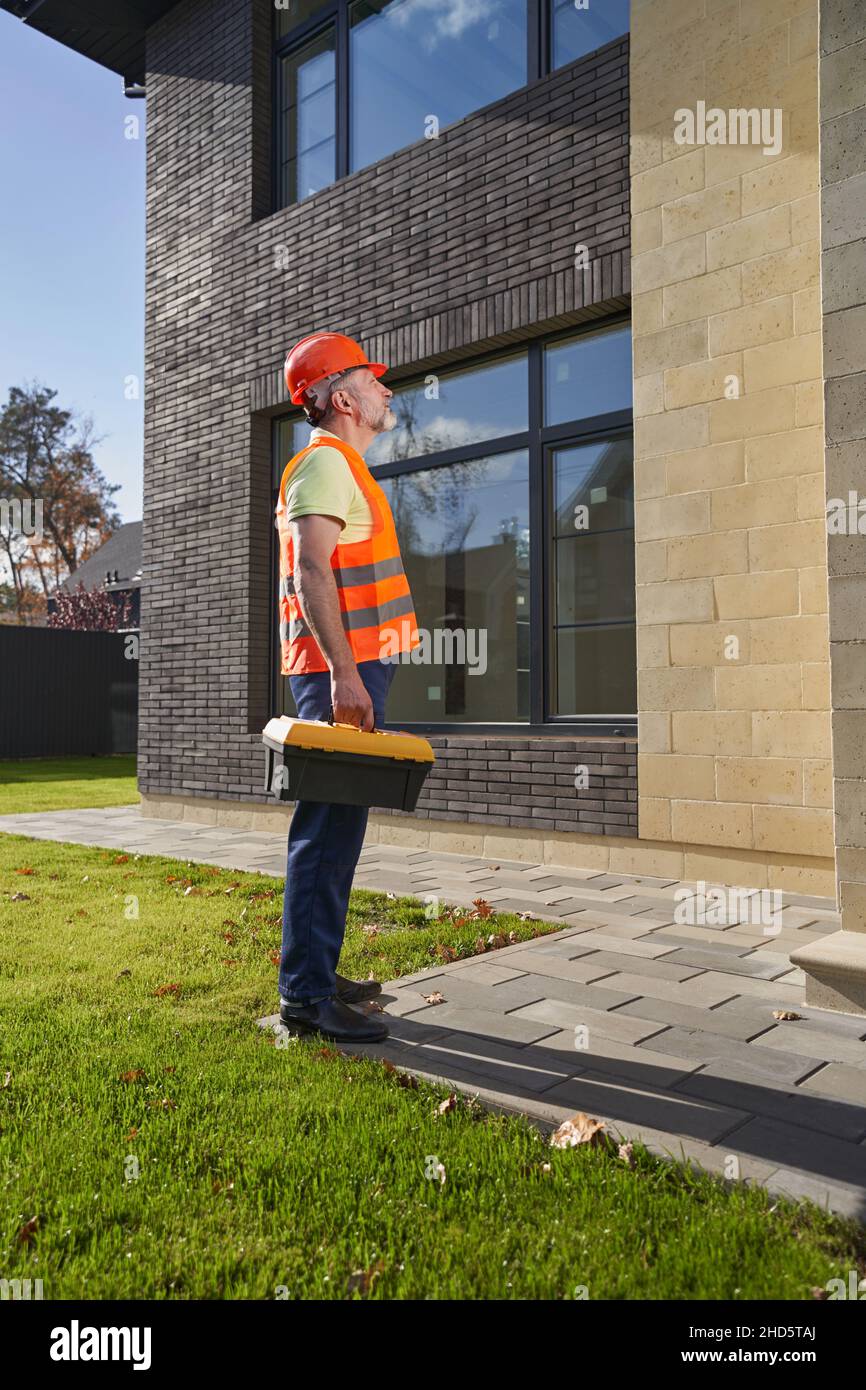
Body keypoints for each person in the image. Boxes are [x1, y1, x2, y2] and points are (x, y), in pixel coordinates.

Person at [275, 331, 419, 1042]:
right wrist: (343, 674)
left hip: (354, 668)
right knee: (327, 830)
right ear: (342, 398)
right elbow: (311, 572)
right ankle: (304, 999)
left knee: (340, 830)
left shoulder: (342, 469)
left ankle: (318, 973)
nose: (386, 390)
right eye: (373, 380)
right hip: (342, 672)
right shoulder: (326, 465)